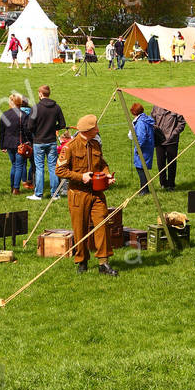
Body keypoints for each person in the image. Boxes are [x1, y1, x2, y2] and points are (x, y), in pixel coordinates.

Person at [56, 113, 117, 276]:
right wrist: (80, 177)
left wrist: (107, 175)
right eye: (95, 127)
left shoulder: (96, 144)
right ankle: (81, 261)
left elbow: (102, 164)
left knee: (102, 224)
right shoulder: (69, 147)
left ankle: (104, 263)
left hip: (97, 193)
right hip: (78, 194)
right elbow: (59, 170)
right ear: (88, 130)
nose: (98, 129)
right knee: (80, 228)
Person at [27, 84, 65, 201]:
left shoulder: (35, 108)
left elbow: (30, 126)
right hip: (51, 141)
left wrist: (38, 132)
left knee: (39, 168)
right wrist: (53, 129)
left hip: (39, 141)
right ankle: (55, 194)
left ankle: (38, 194)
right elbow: (62, 124)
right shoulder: (56, 107)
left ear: (40, 94)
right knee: (53, 167)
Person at [0, 93, 30, 195]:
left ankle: (12, 186)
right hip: (20, 144)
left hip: (8, 143)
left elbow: (1, 131)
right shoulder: (24, 115)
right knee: (19, 166)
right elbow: (26, 131)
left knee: (14, 165)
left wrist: (2, 146)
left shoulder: (5, 114)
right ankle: (16, 188)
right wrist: (28, 141)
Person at [152, 105, 186, 191]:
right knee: (160, 163)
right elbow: (152, 121)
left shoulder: (176, 108)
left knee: (172, 163)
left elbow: (182, 123)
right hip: (159, 140)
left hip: (172, 141)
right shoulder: (156, 107)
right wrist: (156, 133)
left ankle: (171, 184)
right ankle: (163, 183)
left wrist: (173, 134)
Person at [129, 102, 155, 194]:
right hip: (148, 147)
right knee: (142, 168)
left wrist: (137, 149)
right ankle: (144, 188)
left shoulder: (140, 122)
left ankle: (144, 190)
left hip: (143, 149)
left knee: (141, 168)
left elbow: (141, 137)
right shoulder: (145, 119)